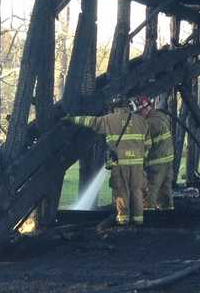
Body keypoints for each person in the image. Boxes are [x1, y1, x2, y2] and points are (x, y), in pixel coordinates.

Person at [66, 96, 150, 226]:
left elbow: (91, 121)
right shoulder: (141, 121)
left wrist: (73, 119)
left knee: (121, 191)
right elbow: (148, 144)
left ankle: (123, 219)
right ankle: (138, 220)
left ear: (115, 108)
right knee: (137, 190)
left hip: (120, 163)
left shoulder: (110, 119)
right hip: (137, 164)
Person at [141, 97, 175, 212]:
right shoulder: (161, 116)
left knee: (150, 191)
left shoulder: (150, 123)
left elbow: (143, 145)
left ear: (145, 109)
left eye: (139, 112)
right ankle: (167, 216)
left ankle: (148, 214)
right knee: (165, 192)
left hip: (156, 163)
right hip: (167, 161)